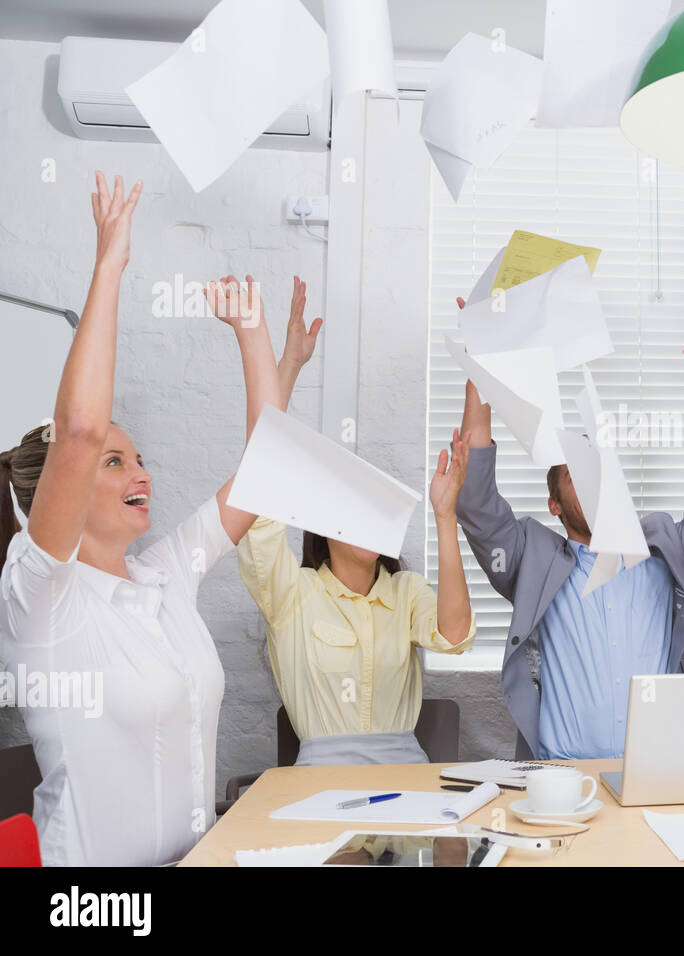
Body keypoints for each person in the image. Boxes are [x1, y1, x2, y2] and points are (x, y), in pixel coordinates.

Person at [0, 173, 282, 865]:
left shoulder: (165, 578)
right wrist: (110, 265)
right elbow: (80, 429)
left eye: (139, 458)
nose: (142, 474)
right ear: (56, 495)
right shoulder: (38, 598)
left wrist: (252, 332)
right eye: (115, 462)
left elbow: (272, 472)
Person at [456, 322, 684, 760]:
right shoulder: (533, 559)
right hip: (561, 781)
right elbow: (475, 503)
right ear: (554, 505)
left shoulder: (667, 550)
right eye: (575, 473)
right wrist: (480, 372)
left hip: (658, 772)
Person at [236, 277, 475, 765]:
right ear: (325, 525)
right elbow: (261, 478)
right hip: (321, 780)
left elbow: (453, 636)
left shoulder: (404, 592)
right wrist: (289, 367)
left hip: (406, 777)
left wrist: (445, 516)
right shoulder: (293, 594)